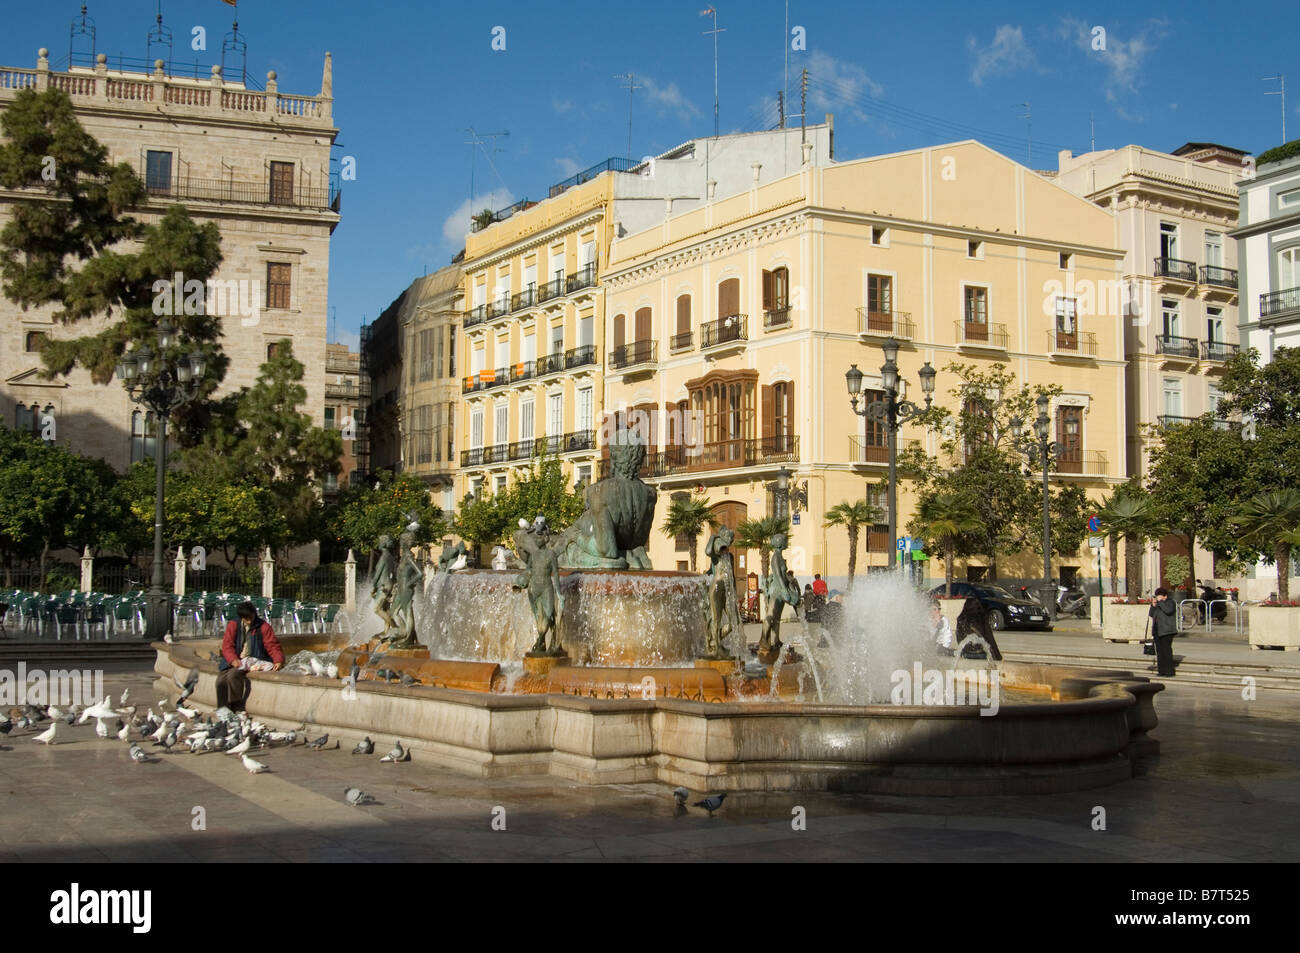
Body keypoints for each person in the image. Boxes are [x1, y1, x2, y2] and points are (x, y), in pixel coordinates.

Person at [217, 602, 284, 711]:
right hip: (236, 659)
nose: (249, 621)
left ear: (254, 614)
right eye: (246, 618)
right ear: (241, 617)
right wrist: (233, 659)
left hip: (254, 660)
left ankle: (236, 706)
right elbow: (227, 646)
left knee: (233, 676)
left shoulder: (263, 626)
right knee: (220, 681)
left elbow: (272, 645)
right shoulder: (234, 625)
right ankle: (222, 709)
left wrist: (278, 660)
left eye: (251, 617)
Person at [955, 596, 1002, 661]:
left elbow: (958, 638)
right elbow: (990, 638)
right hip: (980, 654)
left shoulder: (961, 619)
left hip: (965, 653)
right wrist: (998, 656)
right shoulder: (981, 618)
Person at [1149, 587, 1178, 677]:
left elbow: (1168, 611)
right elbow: (1152, 614)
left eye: (1159, 596)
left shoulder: (1170, 602)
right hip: (1157, 631)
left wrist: (1161, 602)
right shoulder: (1158, 604)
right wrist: (1153, 605)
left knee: (1166, 651)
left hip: (1167, 631)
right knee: (1160, 651)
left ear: (1164, 596)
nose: (1158, 598)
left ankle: (1169, 671)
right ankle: (1161, 670)